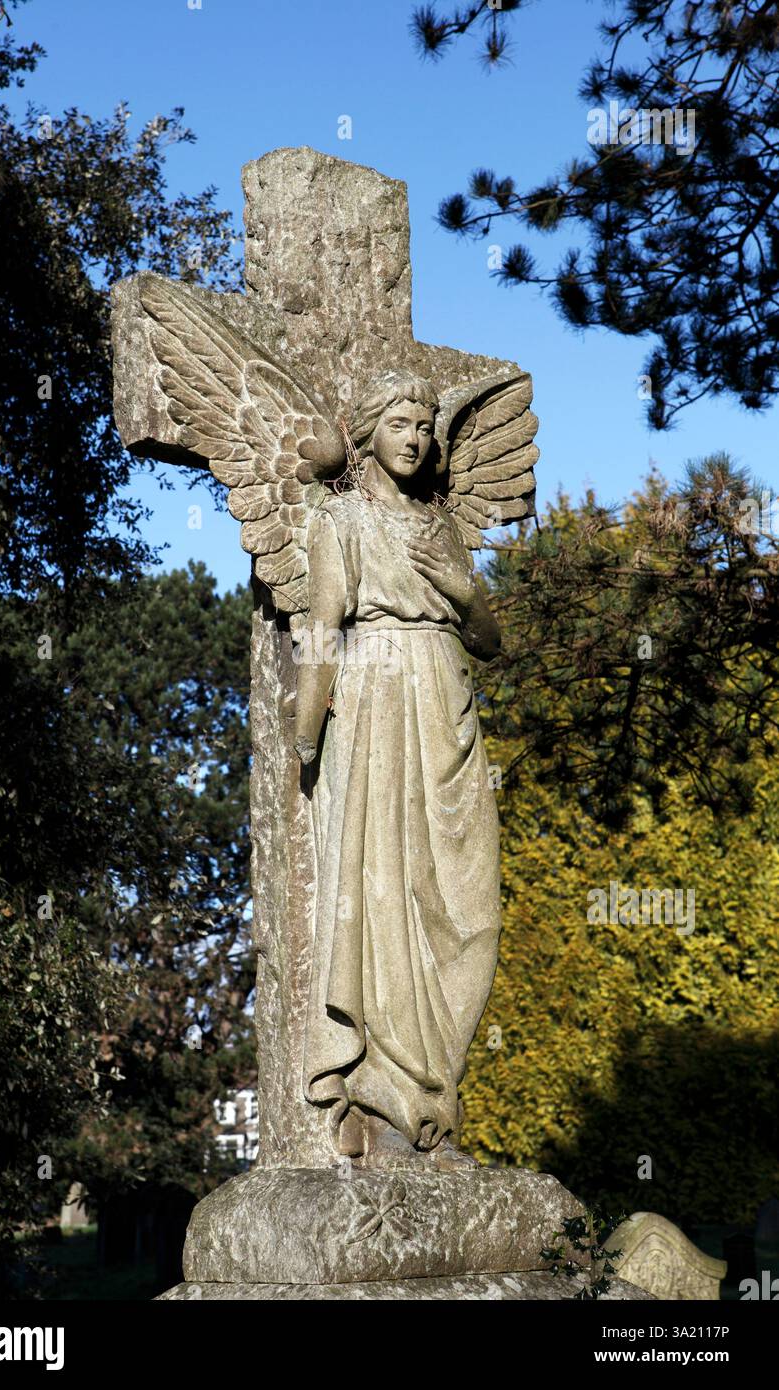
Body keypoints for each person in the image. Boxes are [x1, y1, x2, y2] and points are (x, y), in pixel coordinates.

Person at [293, 369, 502, 1171]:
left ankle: (435, 1083)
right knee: (385, 892)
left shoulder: (442, 529)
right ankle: (393, 1099)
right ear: (369, 433)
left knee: (469, 905)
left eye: (425, 425)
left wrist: (462, 587)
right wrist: (307, 737)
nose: (416, 437)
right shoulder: (341, 520)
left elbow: (491, 640)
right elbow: (321, 629)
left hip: (446, 699)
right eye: (400, 423)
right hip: (377, 699)